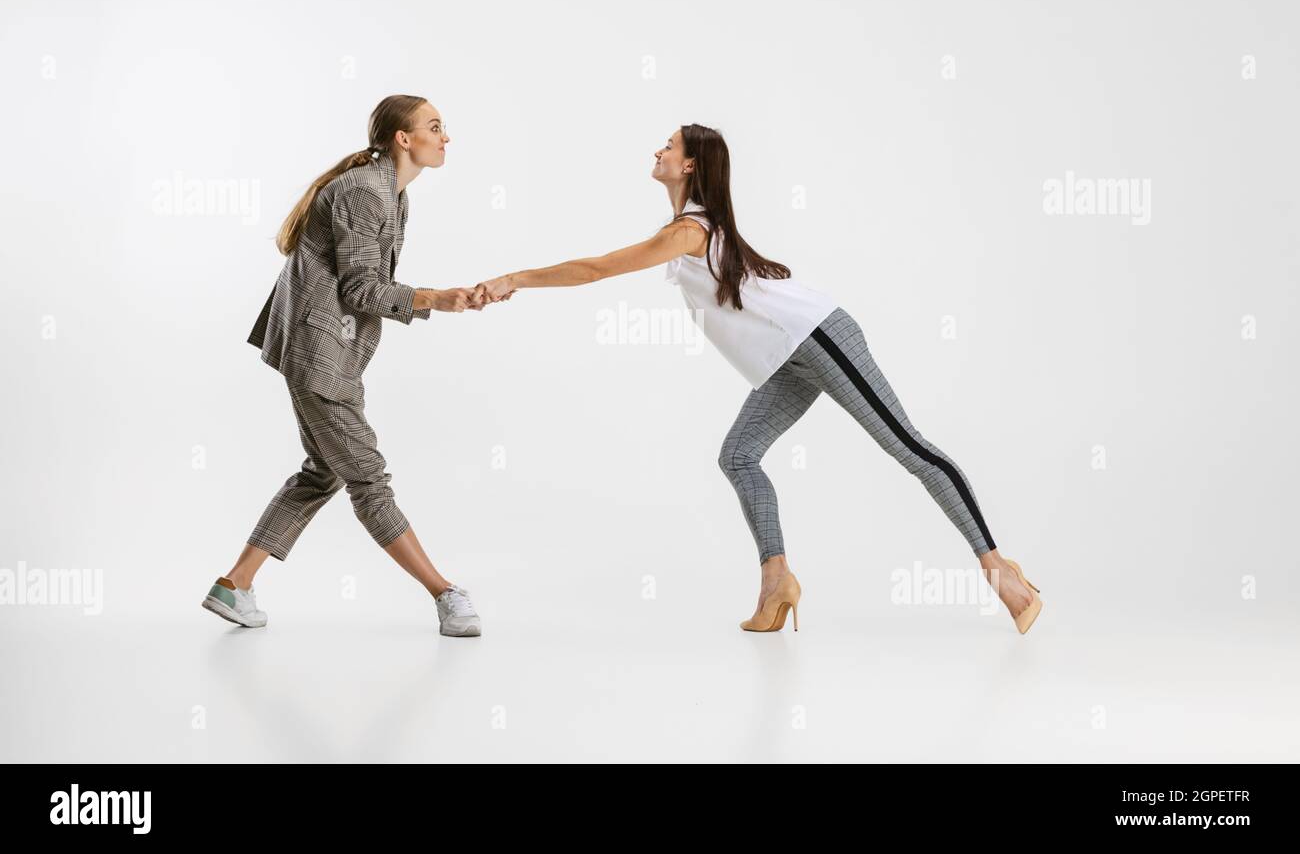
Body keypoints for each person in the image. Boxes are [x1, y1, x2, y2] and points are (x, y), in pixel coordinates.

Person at [473, 124, 1042, 634]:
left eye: (668, 145)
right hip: (783, 360)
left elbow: (597, 268)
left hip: (819, 336)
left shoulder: (688, 232)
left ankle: (998, 569)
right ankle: (777, 581)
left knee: (907, 447)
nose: (658, 150)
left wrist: (514, 277)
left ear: (691, 163)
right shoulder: (690, 229)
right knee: (739, 455)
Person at [203, 95, 495, 638]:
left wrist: (437, 299)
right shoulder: (365, 191)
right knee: (368, 478)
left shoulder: (391, 192)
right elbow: (360, 290)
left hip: (326, 351)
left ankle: (233, 585)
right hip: (319, 354)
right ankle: (445, 594)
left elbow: (357, 285)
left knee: (323, 472)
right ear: (402, 138)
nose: (445, 137)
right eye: (434, 127)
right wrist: (437, 298)